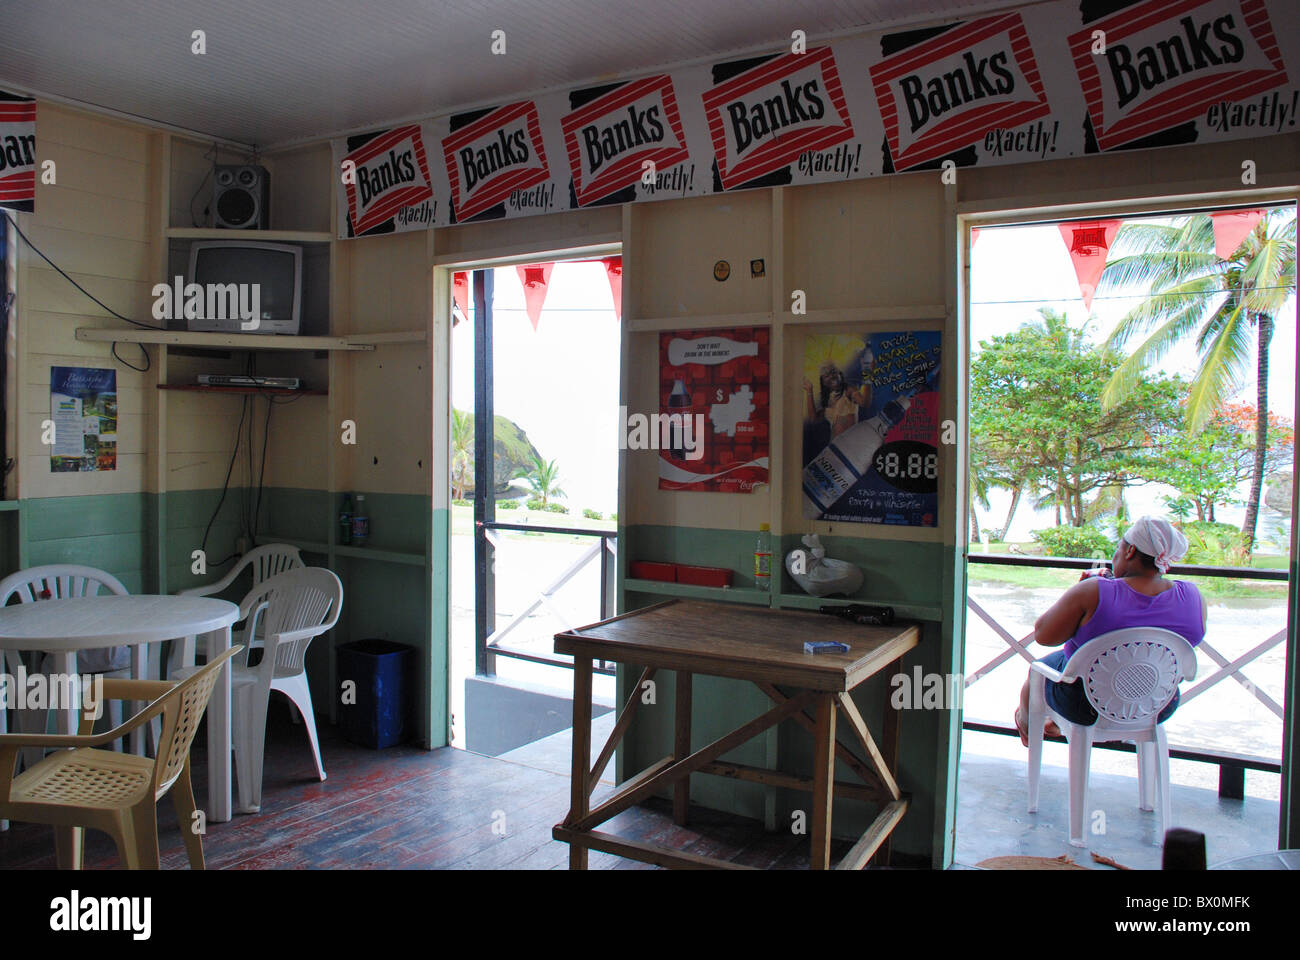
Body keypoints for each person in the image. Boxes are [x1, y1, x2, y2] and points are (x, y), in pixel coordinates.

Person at [1013, 517, 1207, 746]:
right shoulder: (1193, 597)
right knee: (1059, 664)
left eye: (1118, 547)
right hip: (1157, 705)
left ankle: (1027, 725)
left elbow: (1044, 636)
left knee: (1040, 670)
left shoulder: (1094, 590)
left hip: (1085, 707)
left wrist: (1080, 590)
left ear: (1130, 551)